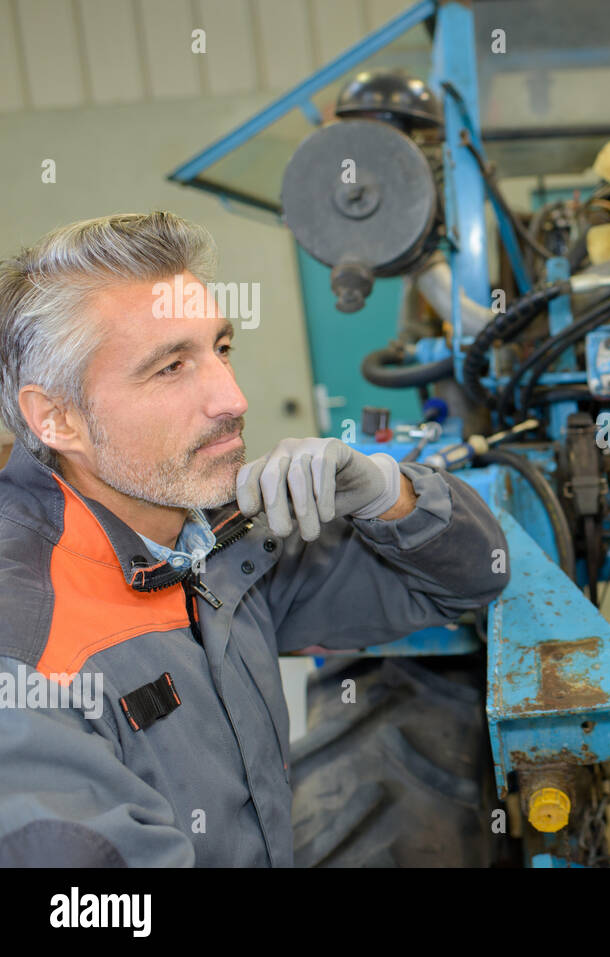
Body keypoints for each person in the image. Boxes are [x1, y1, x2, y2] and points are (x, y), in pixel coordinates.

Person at [0, 212, 509, 866]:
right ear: (57, 417)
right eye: (171, 367)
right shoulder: (22, 649)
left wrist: (388, 494)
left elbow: (473, 577)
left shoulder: (209, 548)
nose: (232, 397)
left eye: (222, 347)